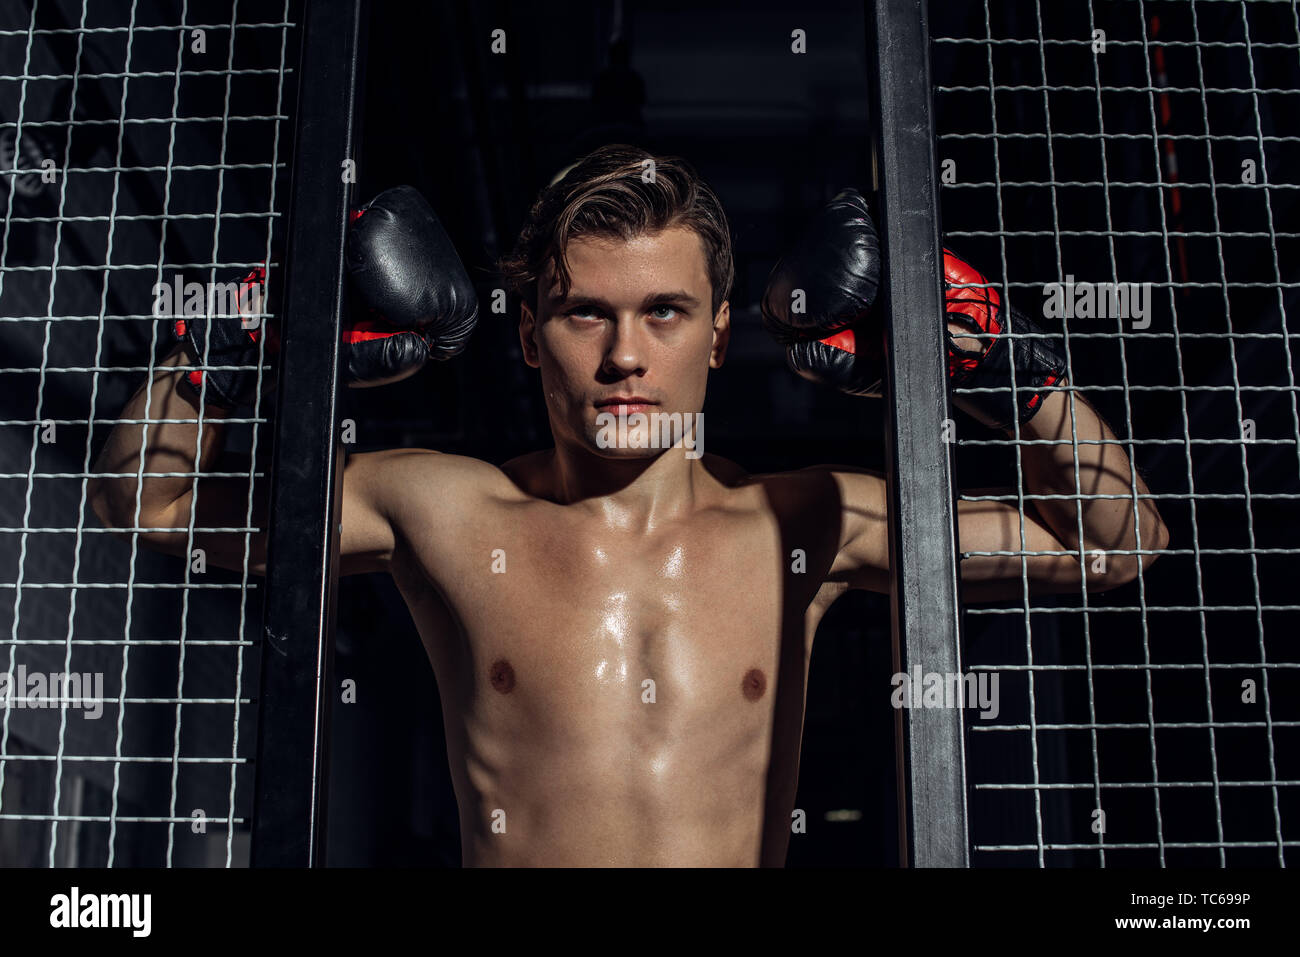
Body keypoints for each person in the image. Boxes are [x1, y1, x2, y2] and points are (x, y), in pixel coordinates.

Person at [89, 144, 1169, 867]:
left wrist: (1010, 376)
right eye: (581, 316)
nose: (622, 358)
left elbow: (1119, 548)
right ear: (527, 337)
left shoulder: (807, 526)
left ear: (715, 333)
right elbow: (149, 498)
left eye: (664, 313)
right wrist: (234, 341)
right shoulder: (444, 510)